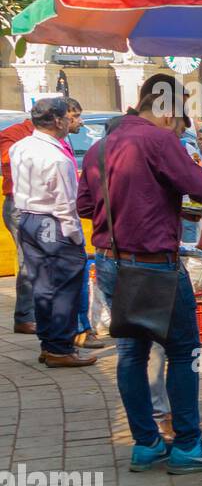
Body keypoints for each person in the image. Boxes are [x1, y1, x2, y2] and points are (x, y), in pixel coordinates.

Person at [77, 74, 202, 474]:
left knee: (132, 353)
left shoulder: (100, 145)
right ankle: (187, 444)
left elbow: (85, 205)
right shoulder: (158, 140)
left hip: (109, 261)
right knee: (185, 351)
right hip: (152, 265)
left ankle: (146, 443)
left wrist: (153, 204)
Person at [10, 98, 94, 367]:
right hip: (52, 222)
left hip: (28, 218)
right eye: (69, 118)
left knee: (43, 283)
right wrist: (76, 238)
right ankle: (59, 347)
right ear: (58, 121)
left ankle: (50, 343)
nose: (73, 122)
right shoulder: (57, 158)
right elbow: (66, 206)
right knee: (65, 286)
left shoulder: (21, 147)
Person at [63, 98, 108, 351]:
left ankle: (72, 332)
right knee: (74, 278)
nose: (80, 121)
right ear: (60, 118)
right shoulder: (55, 151)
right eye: (75, 116)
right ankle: (80, 329)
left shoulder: (66, 147)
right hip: (62, 224)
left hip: (61, 222)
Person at [1, 107, 37, 334]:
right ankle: (24, 317)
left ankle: (34, 314)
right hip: (19, 204)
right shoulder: (14, 133)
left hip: (35, 204)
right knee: (28, 261)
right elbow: (7, 161)